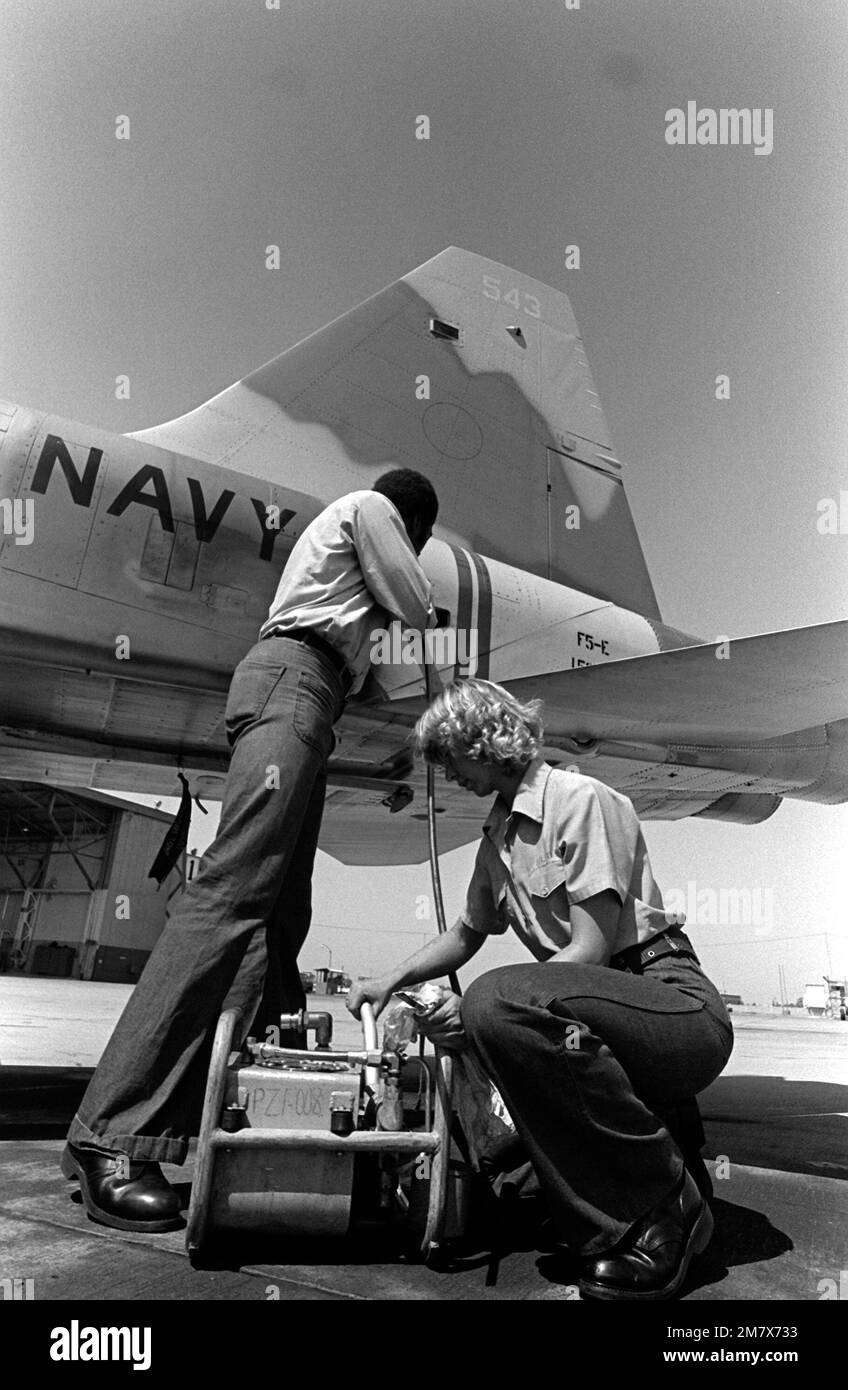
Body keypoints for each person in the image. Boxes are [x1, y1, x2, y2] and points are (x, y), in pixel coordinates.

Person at [63, 469, 438, 1233]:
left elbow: (366, 662)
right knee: (233, 894)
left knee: (277, 918)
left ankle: (238, 1112)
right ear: (413, 524)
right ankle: (109, 1132)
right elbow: (417, 605)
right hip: (292, 685)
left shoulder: (340, 583)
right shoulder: (370, 511)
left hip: (311, 693)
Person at [348, 678, 733, 1301]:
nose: (449, 776)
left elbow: (589, 951)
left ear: (481, 740)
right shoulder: (497, 837)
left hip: (668, 1001)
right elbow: (467, 932)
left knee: (497, 1003)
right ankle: (665, 1164)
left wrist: (473, 1008)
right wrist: (388, 979)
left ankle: (666, 1207)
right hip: (588, 1005)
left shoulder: (580, 799)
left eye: (450, 759)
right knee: (518, 1181)